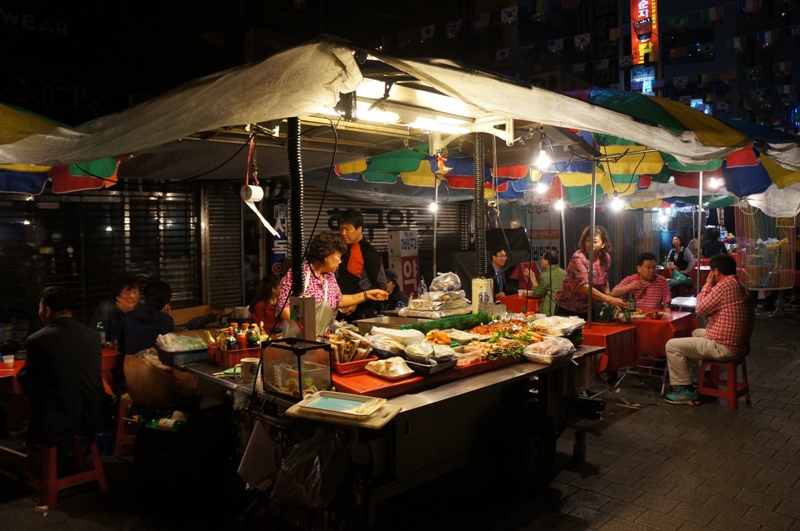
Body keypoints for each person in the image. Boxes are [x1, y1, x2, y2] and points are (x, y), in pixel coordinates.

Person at [17, 286, 104, 446]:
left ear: (47, 311)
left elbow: (27, 378)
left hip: (57, 420)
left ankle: (29, 440)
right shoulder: (93, 335)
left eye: (40, 308)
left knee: (33, 394)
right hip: (92, 413)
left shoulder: (38, 339)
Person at [664, 254, 754, 405]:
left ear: (716, 271)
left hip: (724, 346)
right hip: (740, 344)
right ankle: (707, 377)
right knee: (696, 332)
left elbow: (700, 309)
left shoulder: (724, 286)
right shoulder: (739, 286)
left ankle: (685, 390)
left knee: (672, 345)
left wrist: (707, 285)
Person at [278, 231, 388, 337]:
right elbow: (284, 306)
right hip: (296, 337)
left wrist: (367, 294)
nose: (340, 261)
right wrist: (301, 326)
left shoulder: (329, 276)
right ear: (326, 255)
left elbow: (338, 300)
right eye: (339, 256)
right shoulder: (299, 273)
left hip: (322, 336)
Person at [554, 225, 627, 319]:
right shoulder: (579, 257)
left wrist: (608, 295)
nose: (590, 244)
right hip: (567, 307)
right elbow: (584, 287)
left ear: (603, 244)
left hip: (588, 307)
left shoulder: (606, 258)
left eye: (595, 241)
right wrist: (609, 299)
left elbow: (604, 279)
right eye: (588, 240)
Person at [336, 209, 387, 322]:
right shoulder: (341, 250)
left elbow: (381, 285)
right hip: (341, 313)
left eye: (347, 229)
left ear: (359, 229)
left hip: (363, 314)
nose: (343, 233)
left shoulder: (369, 253)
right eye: (341, 229)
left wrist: (356, 303)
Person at [119, 280, 174, 355]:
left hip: (130, 362)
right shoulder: (167, 320)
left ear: (144, 297)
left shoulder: (128, 317)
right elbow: (168, 348)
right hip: (155, 362)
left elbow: (121, 347)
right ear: (166, 302)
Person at [90, 272, 141, 347]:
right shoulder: (105, 308)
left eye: (135, 292)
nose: (133, 296)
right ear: (118, 296)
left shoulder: (142, 308)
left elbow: (140, 338)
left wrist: (130, 314)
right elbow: (93, 334)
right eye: (128, 293)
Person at [524, 251, 565, 316]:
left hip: (550, 310)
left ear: (546, 262)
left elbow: (538, 293)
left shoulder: (545, 276)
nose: (541, 260)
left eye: (542, 258)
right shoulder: (564, 273)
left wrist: (533, 279)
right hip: (563, 309)